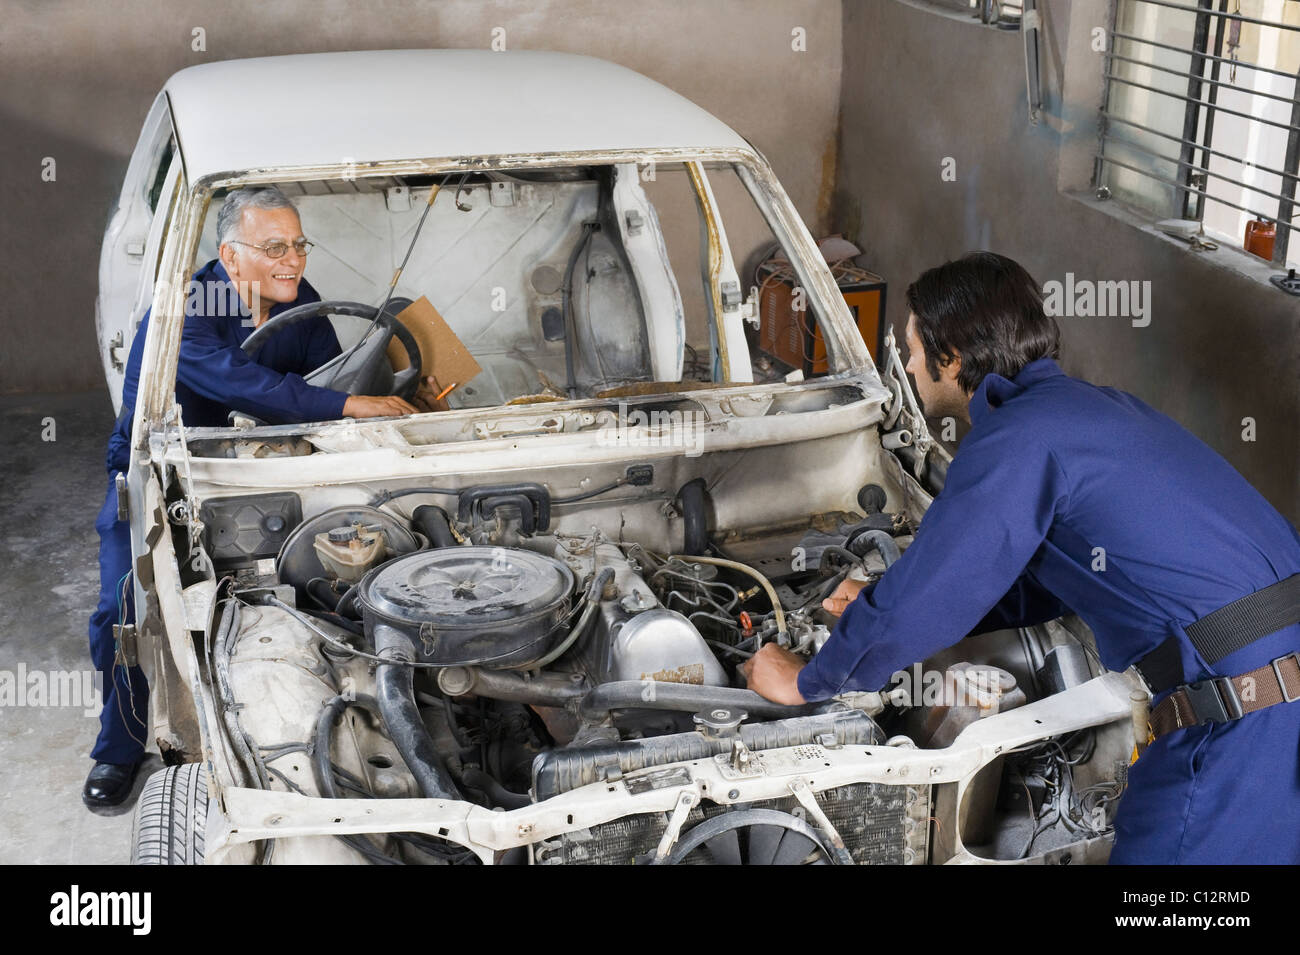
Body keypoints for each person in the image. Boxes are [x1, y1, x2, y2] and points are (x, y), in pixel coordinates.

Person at [742, 251, 1300, 864]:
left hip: (1237, 720)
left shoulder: (1015, 441)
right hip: (1278, 697)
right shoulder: (1101, 409)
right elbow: (1049, 578)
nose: (907, 365)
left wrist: (808, 680)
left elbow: (935, 592)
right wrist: (877, 604)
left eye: (913, 349)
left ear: (951, 358)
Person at [85, 186, 434, 808]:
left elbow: (331, 377)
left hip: (260, 470)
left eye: (299, 244)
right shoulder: (187, 306)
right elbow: (246, 385)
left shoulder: (297, 301)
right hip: (166, 471)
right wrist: (346, 404)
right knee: (127, 610)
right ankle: (119, 746)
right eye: (275, 247)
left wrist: (383, 395)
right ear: (229, 253)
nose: (293, 259)